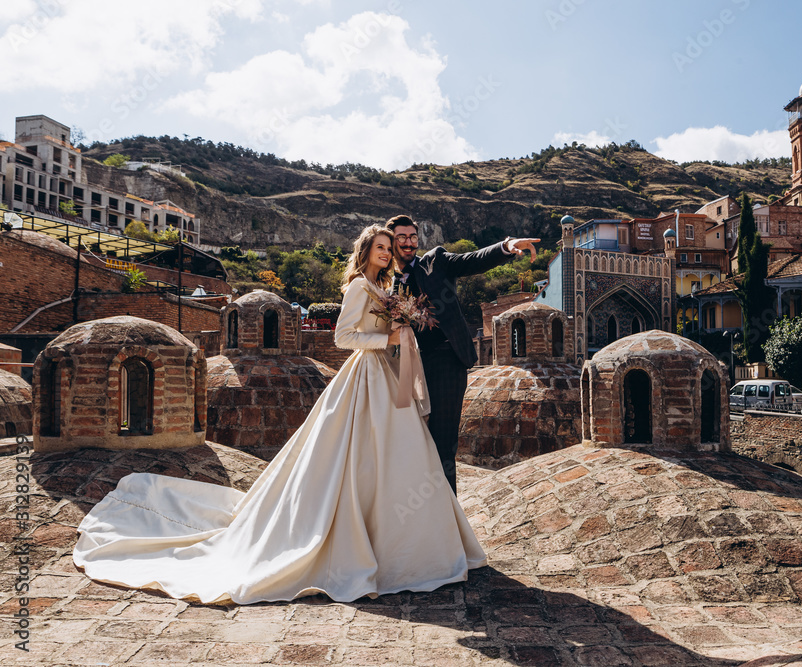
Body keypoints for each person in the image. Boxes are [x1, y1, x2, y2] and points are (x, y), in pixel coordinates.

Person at [73, 224, 486, 605]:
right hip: (366, 375)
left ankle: (407, 542)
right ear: (365, 251)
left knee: (399, 454)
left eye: (387, 248)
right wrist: (388, 336)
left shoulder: (385, 286)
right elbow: (343, 337)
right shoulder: (360, 286)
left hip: (384, 375)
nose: (385, 252)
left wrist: (398, 332)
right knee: (362, 454)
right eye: (379, 247)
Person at [386, 214, 539, 492]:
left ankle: (446, 508)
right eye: (402, 238)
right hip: (408, 367)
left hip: (446, 360)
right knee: (413, 438)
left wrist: (506, 246)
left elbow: (473, 260)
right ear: (391, 242)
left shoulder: (435, 261)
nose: (409, 243)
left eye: (413, 237)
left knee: (443, 440)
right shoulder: (386, 284)